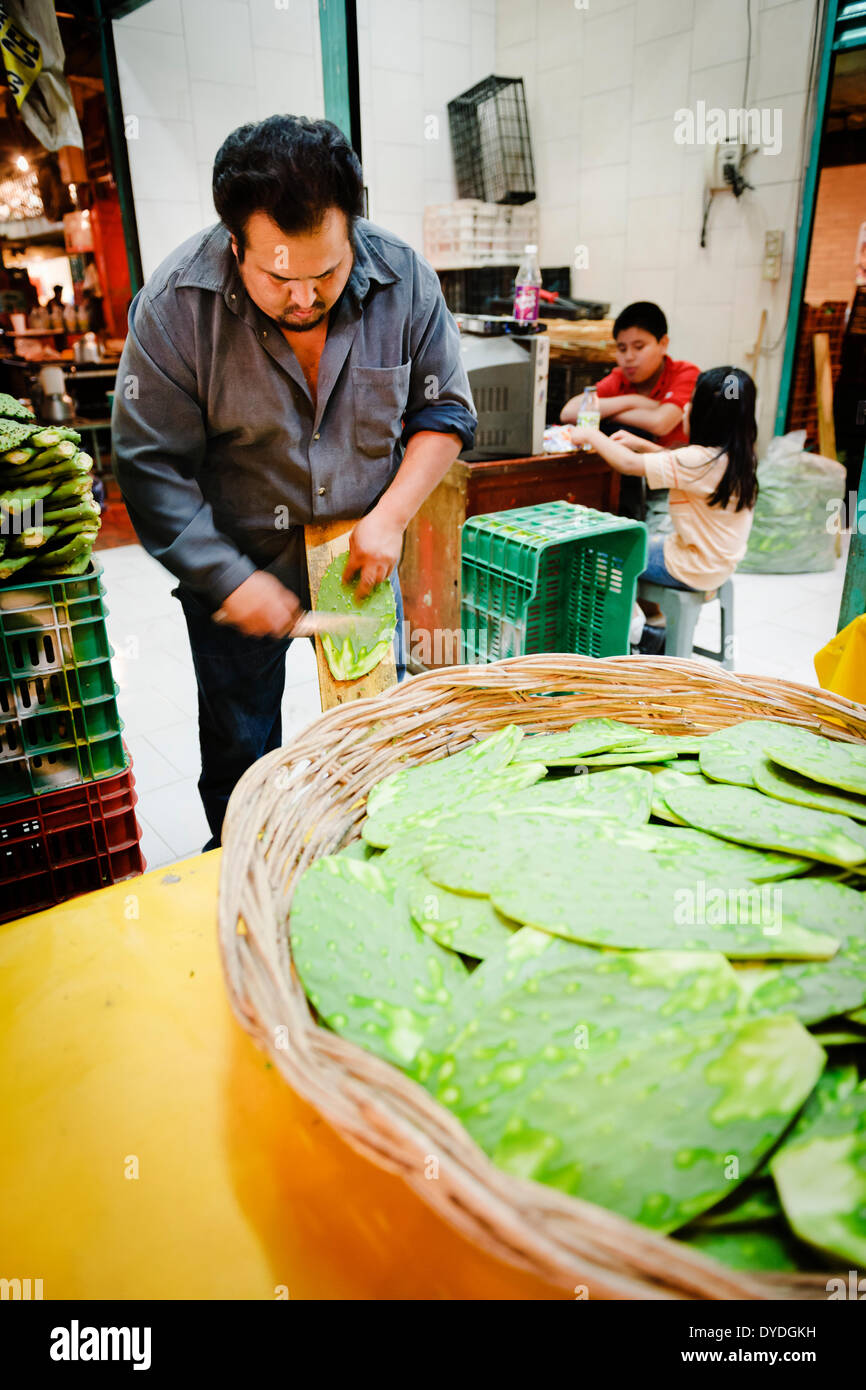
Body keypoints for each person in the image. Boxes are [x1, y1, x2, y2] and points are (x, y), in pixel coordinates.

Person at [112, 115, 476, 849]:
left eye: (327, 274)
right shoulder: (175, 308)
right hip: (237, 556)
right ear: (234, 244)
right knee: (243, 745)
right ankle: (245, 867)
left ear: (354, 231)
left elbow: (444, 411)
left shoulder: (403, 279)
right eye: (279, 278)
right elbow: (149, 464)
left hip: (361, 551)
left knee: (376, 735)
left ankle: (372, 869)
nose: (306, 299)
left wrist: (393, 516)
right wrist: (225, 577)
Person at [570, 366, 759, 651]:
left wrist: (591, 434)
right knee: (639, 539)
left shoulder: (697, 461)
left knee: (601, 555)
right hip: (718, 563)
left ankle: (637, 636)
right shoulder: (736, 458)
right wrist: (643, 444)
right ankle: (641, 627)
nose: (685, 407)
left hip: (689, 565)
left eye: (692, 402)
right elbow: (684, 465)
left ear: (705, 417)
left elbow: (629, 465)